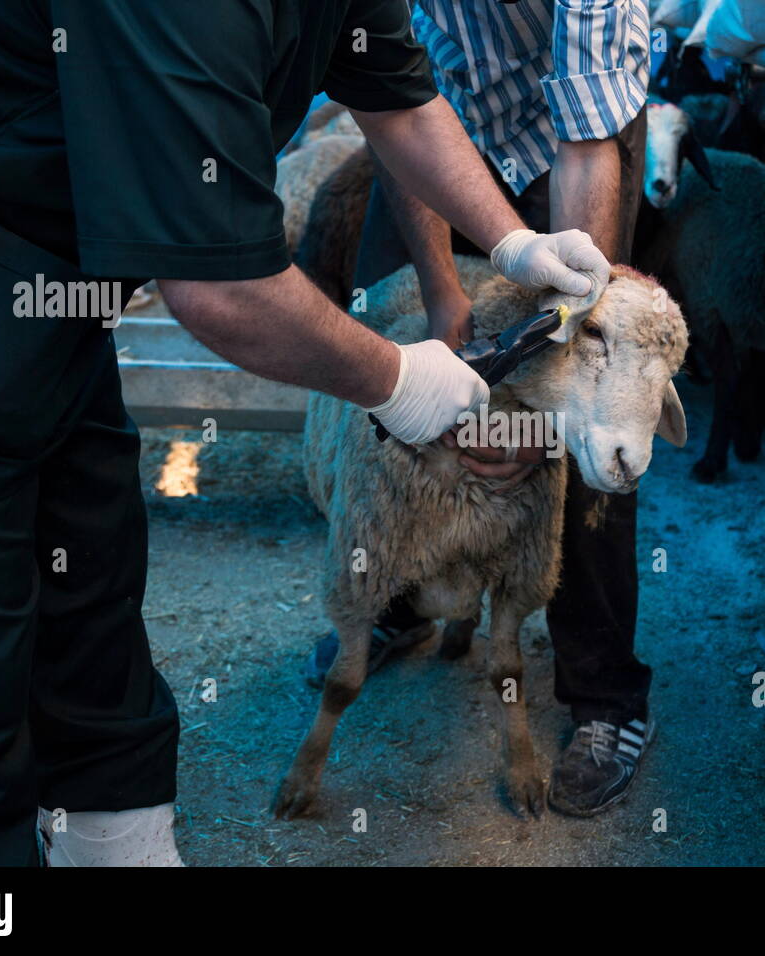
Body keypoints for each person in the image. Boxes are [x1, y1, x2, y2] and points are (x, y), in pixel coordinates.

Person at [0, 0, 609, 866]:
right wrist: (399, 381)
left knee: (91, 602)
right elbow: (221, 289)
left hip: (60, 296)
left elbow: (399, 98)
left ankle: (122, 849)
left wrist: (513, 239)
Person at [306, 0, 655, 817]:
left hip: (565, 137)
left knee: (591, 400)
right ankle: (398, 604)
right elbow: (390, 96)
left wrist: (550, 391)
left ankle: (604, 697)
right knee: (393, 354)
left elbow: (586, 142)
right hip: (426, 121)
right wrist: (440, 290)